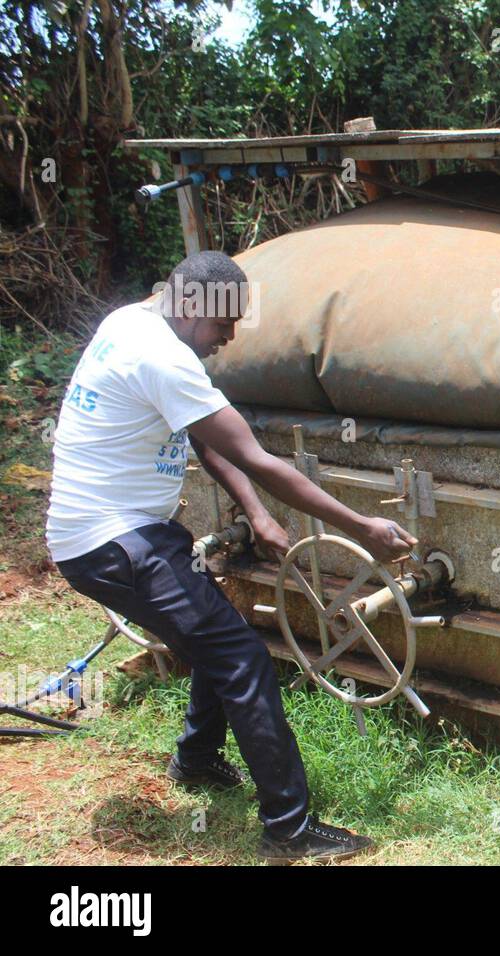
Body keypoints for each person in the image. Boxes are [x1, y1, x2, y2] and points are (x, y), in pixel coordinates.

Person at [46, 250, 417, 863]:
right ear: (191, 305)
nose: (229, 337)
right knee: (243, 658)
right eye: (225, 323)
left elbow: (202, 437)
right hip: (114, 541)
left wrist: (260, 514)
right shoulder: (163, 358)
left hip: (114, 535)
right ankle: (289, 832)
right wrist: (362, 526)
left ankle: (194, 760)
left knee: (220, 638)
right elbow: (260, 460)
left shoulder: (129, 324)